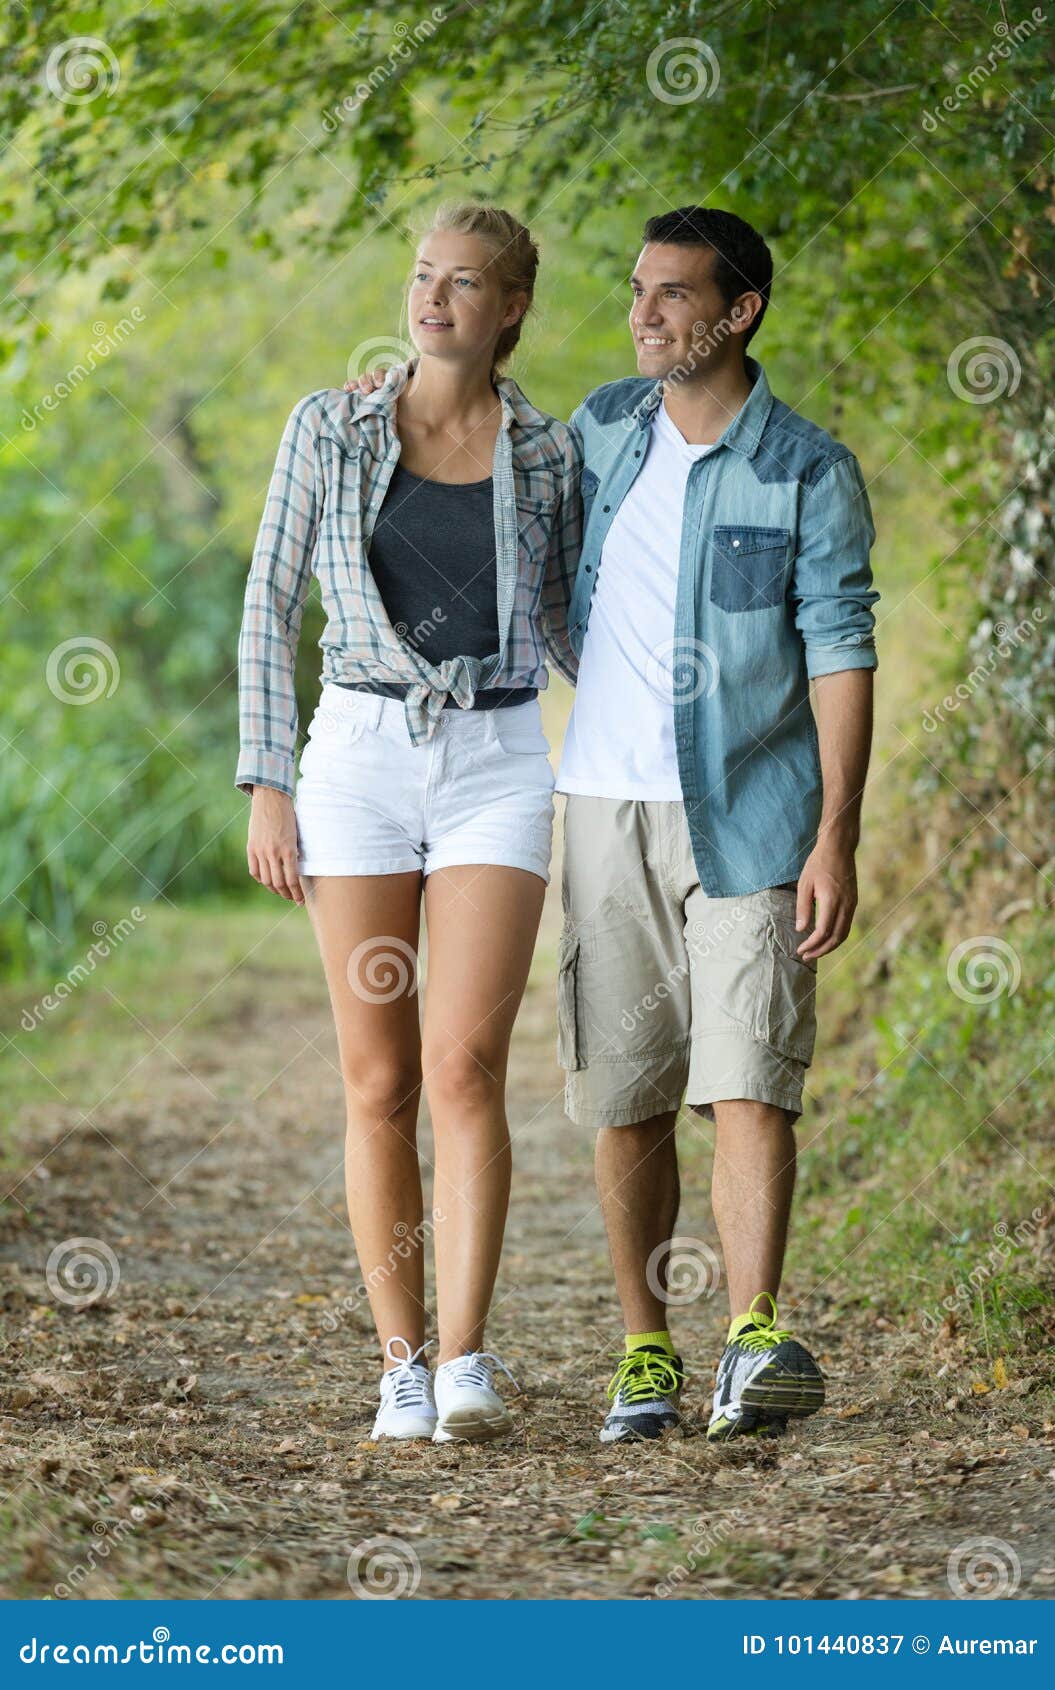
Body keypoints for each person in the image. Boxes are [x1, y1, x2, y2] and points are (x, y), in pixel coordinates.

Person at [350, 203, 879, 1448]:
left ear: (738, 311)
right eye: (637, 290)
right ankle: (645, 1349)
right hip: (600, 806)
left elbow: (839, 650)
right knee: (626, 1092)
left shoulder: (805, 468)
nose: (641, 315)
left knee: (749, 1075)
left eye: (671, 295)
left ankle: (749, 1336)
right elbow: (472, 428)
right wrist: (396, 394)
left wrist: (835, 833)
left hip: (752, 811)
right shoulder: (595, 433)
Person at [235, 202, 581, 1444]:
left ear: (510, 307)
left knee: (463, 1068)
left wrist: (668, 748)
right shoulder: (327, 427)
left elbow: (571, 627)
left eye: (465, 282)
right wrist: (266, 779)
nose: (434, 298)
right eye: (424, 276)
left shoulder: (548, 455)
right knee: (377, 1078)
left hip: (495, 755)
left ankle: (466, 1359)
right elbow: (269, 601)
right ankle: (399, 1365)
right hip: (358, 758)